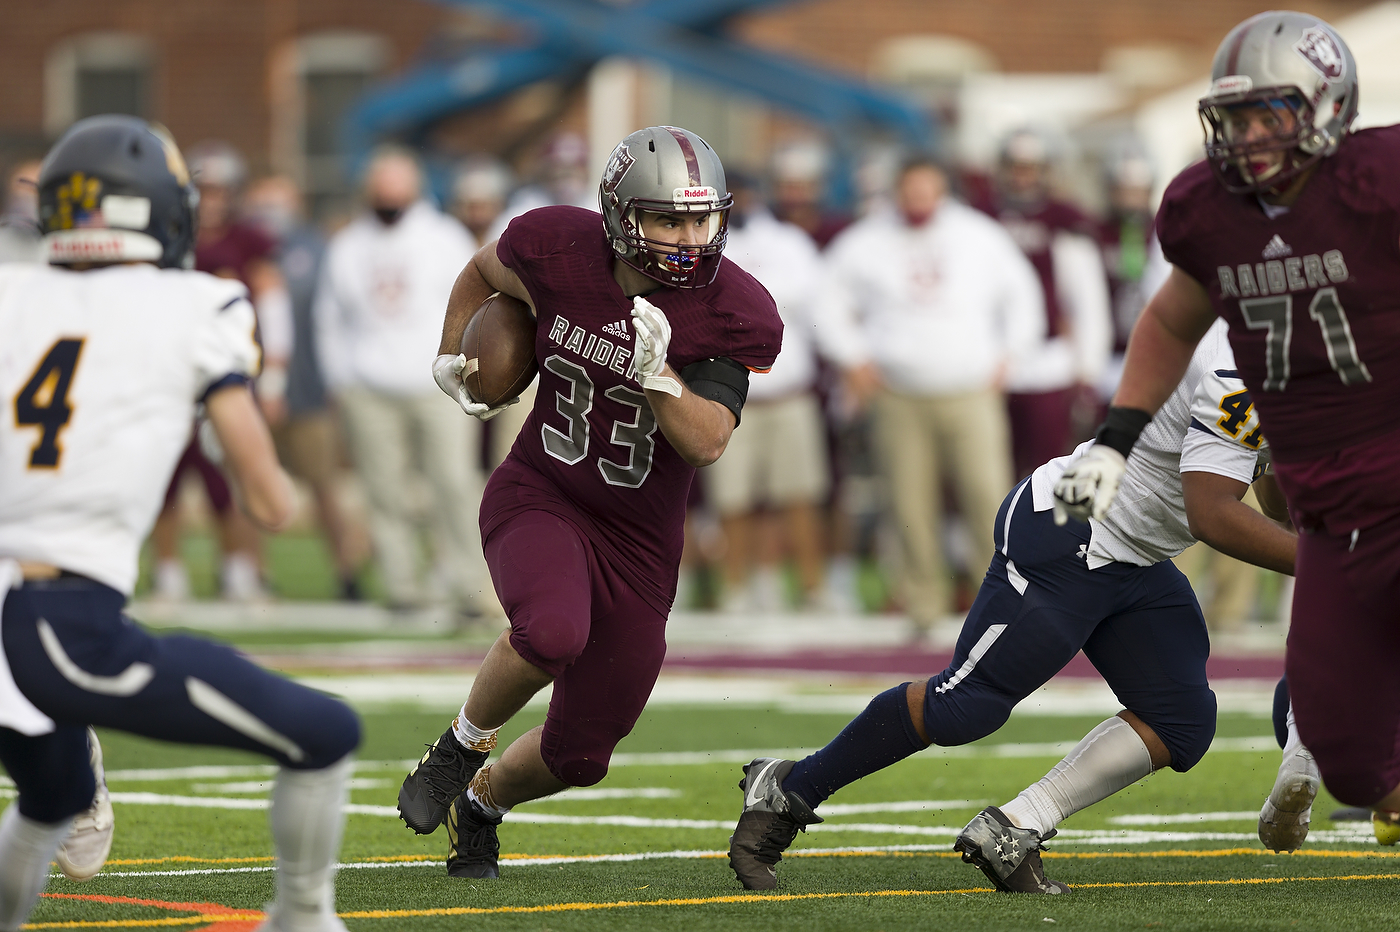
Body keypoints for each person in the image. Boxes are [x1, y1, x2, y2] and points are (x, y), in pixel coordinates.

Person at [728, 319, 1295, 892]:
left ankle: (1016, 827)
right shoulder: (1239, 352)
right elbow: (1213, 512)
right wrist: (1331, 561)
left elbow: (1268, 487)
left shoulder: (1314, 351)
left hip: (1138, 553)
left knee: (1182, 722)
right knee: (962, 707)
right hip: (1073, 531)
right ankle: (788, 789)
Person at [0, 115, 359, 932]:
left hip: (20, 620)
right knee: (326, 731)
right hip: (56, 625)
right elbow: (268, 502)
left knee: (52, 797)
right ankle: (301, 917)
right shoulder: (199, 302)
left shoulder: (9, 288)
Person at [395, 125, 782, 878]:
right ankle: (457, 748)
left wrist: (660, 377)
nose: (687, 238)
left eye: (700, 219)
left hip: (639, 541)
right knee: (553, 629)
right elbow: (484, 270)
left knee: (581, 757)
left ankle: (479, 800)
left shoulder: (733, 307)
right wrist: (449, 350)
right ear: (617, 213)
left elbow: (706, 442)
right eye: (667, 219)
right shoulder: (556, 247)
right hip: (544, 492)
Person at [1052, 10, 1400, 830]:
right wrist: (1118, 433)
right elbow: (1172, 320)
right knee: (1347, 754)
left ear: (1329, 106)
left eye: (1268, 113)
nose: (1247, 135)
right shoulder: (1209, 209)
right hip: (1326, 497)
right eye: (1235, 116)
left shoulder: (1382, 180)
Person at [818, 155, 1044, 632]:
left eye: (927, 191)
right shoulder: (866, 240)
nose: (919, 201)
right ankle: (923, 601)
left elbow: (1023, 294)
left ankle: (1000, 604)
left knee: (987, 495)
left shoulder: (979, 235)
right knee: (908, 500)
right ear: (898, 191)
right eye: (911, 191)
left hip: (970, 388)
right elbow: (827, 300)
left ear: (943, 190)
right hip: (899, 391)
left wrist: (1012, 355)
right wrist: (853, 357)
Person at [314, 147, 493, 617]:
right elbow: (329, 319)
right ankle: (403, 586)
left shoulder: (444, 237)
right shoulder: (349, 243)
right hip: (369, 387)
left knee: (454, 484)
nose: (389, 197)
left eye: (397, 187)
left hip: (439, 384)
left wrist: (468, 368)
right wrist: (342, 381)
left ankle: (469, 586)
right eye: (381, 188)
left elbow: (476, 307)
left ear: (413, 189)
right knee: (383, 491)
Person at [151, 141, 290, 602]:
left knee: (230, 478)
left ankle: (239, 569)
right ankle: (167, 572)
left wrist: (273, 380)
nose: (210, 200)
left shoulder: (248, 240)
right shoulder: (167, 233)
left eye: (218, 190)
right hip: (170, 372)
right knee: (165, 479)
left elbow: (272, 304)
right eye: (202, 190)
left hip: (229, 372)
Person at [703, 172, 835, 610]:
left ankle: (812, 587)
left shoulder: (788, 242)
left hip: (786, 391)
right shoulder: (703, 242)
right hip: (727, 393)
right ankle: (736, 587)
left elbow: (808, 299)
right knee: (733, 499)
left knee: (799, 494)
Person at [244, 175, 366, 601]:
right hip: (250, 393)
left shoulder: (316, 250)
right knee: (251, 485)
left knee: (324, 487)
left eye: (277, 202)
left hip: (310, 390)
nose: (269, 213)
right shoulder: (243, 249)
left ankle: (347, 572)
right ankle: (251, 575)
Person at [978, 129, 1112, 480]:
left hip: (1048, 360)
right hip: (989, 359)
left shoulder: (1064, 219)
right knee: (989, 468)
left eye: (1031, 167)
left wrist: (1088, 367)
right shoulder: (980, 216)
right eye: (1015, 166)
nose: (1023, 176)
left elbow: (1087, 297)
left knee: (1046, 470)